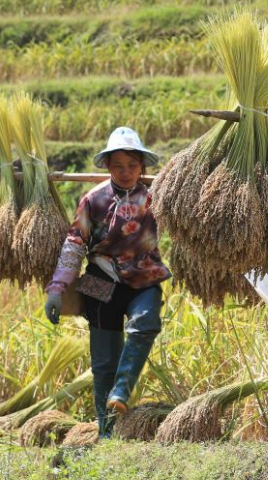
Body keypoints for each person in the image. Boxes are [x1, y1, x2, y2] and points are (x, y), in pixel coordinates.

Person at [44, 127, 171, 438]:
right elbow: (75, 243)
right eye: (118, 166)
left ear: (142, 166)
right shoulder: (94, 200)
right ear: (107, 167)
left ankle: (122, 390)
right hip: (101, 281)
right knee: (103, 363)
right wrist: (57, 289)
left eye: (131, 166)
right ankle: (107, 434)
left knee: (146, 323)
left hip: (144, 276)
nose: (125, 172)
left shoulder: (156, 197)